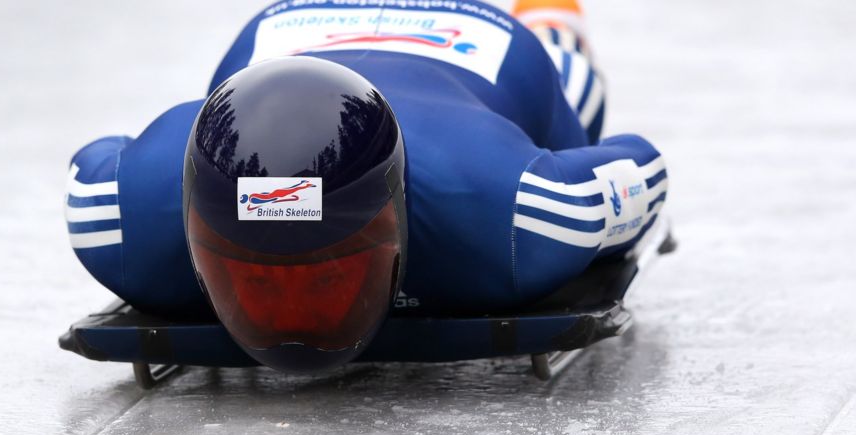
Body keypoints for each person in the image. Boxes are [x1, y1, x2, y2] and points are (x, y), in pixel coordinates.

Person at [64, 0, 670, 370]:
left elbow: (639, 164)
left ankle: (549, 15)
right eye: (251, 278)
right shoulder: (125, 212)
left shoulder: (521, 211)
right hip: (289, 33)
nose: (293, 319)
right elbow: (643, 164)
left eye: (328, 278)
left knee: (570, 85)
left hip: (481, 46)